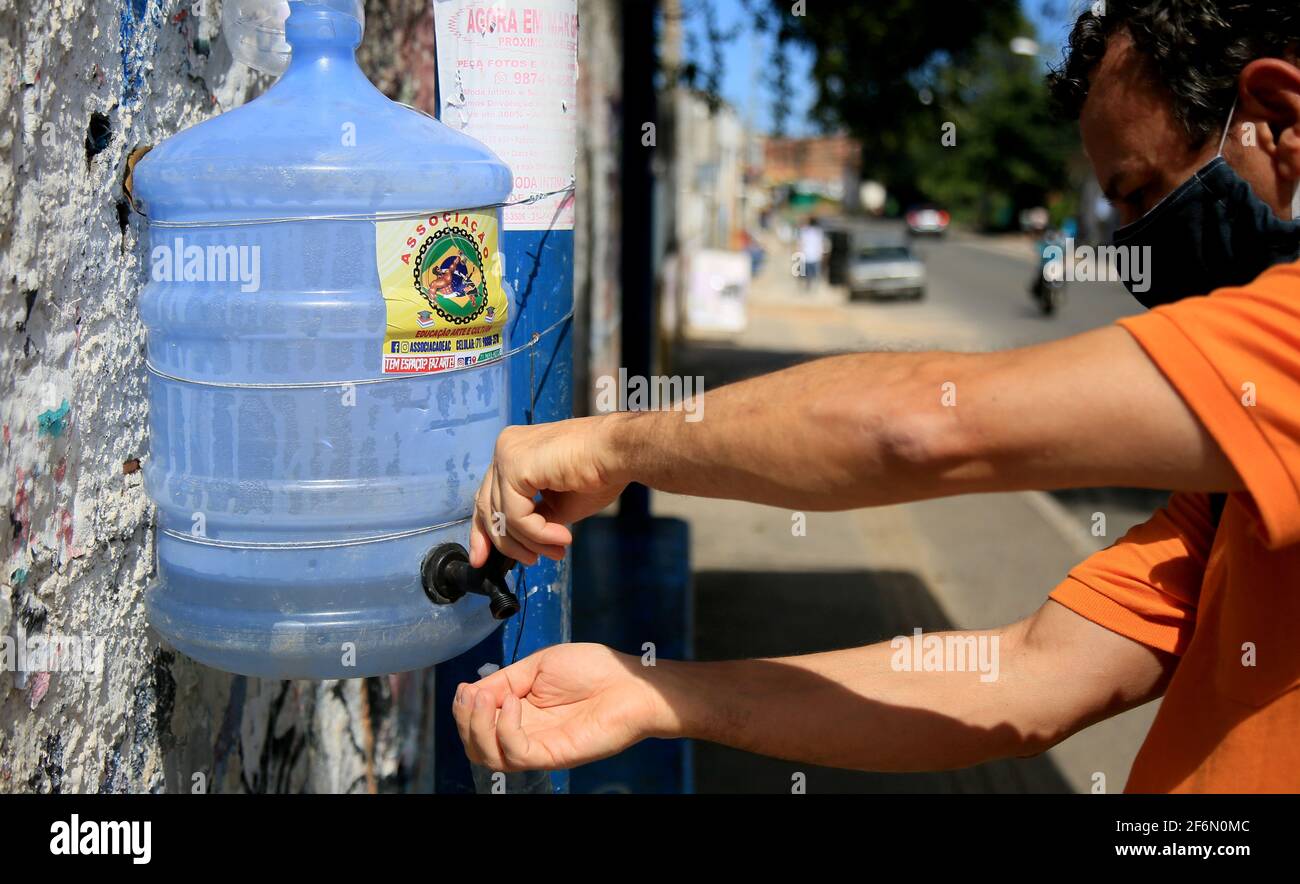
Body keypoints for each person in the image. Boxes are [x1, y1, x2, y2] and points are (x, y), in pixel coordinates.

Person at [454, 1, 1300, 792]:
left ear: (1281, 124)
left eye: (1148, 194)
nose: (1132, 252)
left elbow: (920, 428)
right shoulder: (1240, 474)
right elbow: (1031, 675)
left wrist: (614, 446)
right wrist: (652, 693)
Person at [796, 217, 825, 291]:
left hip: (807, 255)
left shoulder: (805, 231)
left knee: (807, 274)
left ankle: (808, 286)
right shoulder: (818, 232)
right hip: (815, 255)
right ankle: (814, 288)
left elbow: (800, 243)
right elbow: (820, 244)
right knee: (814, 274)